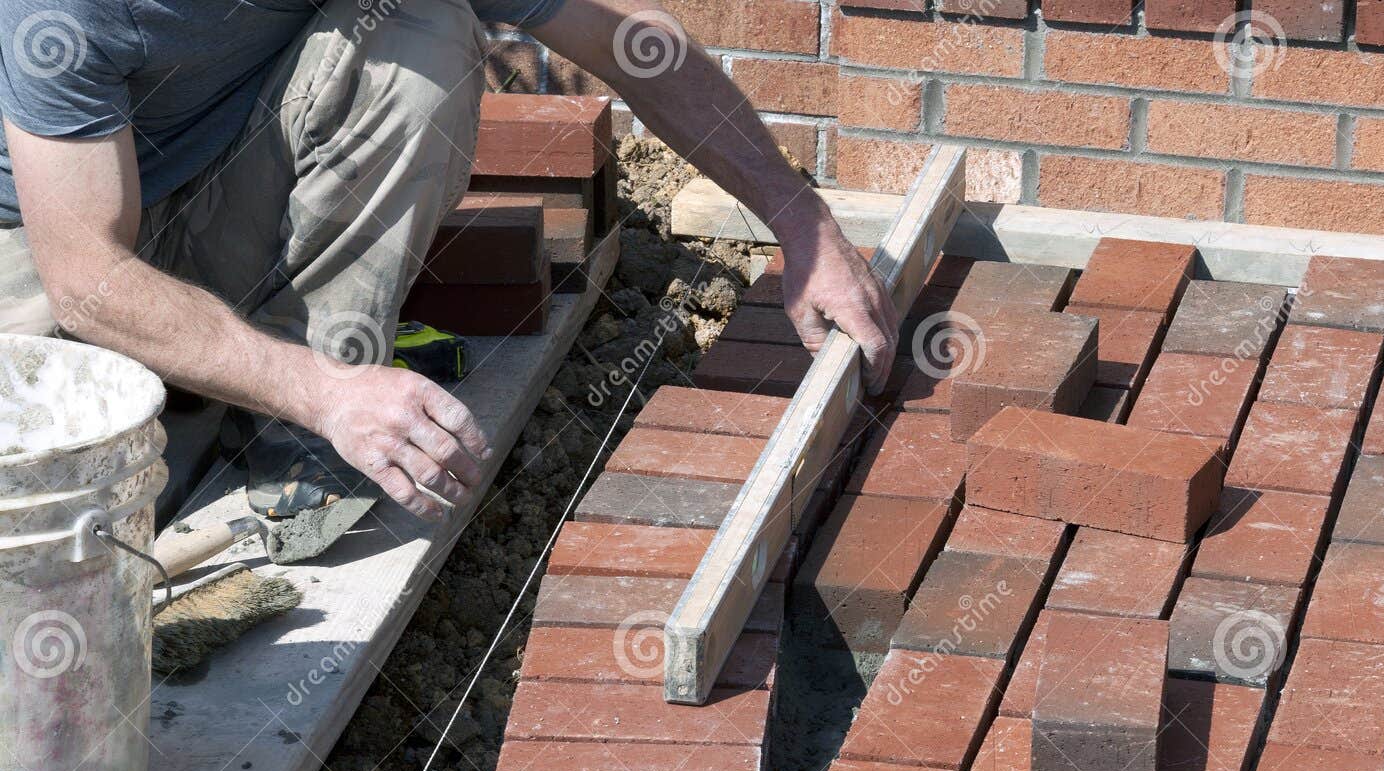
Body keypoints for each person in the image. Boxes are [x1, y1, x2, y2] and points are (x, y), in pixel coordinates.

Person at [0, 0, 898, 520]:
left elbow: (627, 43)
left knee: (420, 30)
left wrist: (800, 222)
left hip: (218, 188)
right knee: (76, 514)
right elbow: (87, 277)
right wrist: (322, 391)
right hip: (56, 246)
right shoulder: (65, 13)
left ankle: (292, 447)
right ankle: (283, 401)